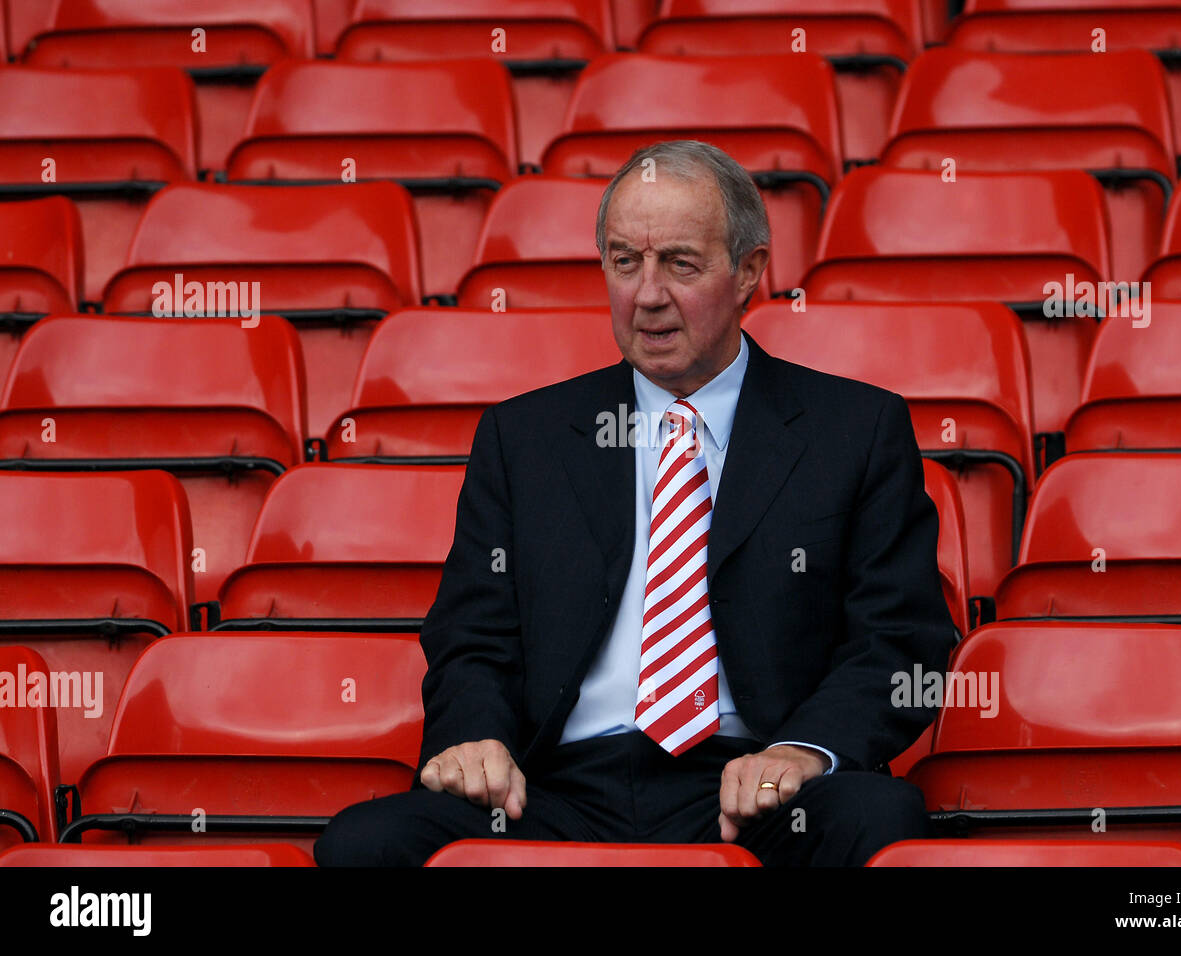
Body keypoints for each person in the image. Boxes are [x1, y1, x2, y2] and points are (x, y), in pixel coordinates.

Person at [315, 140, 956, 866]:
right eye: (625, 262)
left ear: (749, 272)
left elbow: (900, 642)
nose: (647, 294)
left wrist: (802, 753)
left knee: (879, 817)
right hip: (556, 791)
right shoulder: (524, 437)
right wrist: (478, 742)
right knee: (363, 845)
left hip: (756, 789)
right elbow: (471, 638)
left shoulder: (856, 430)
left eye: (680, 264)